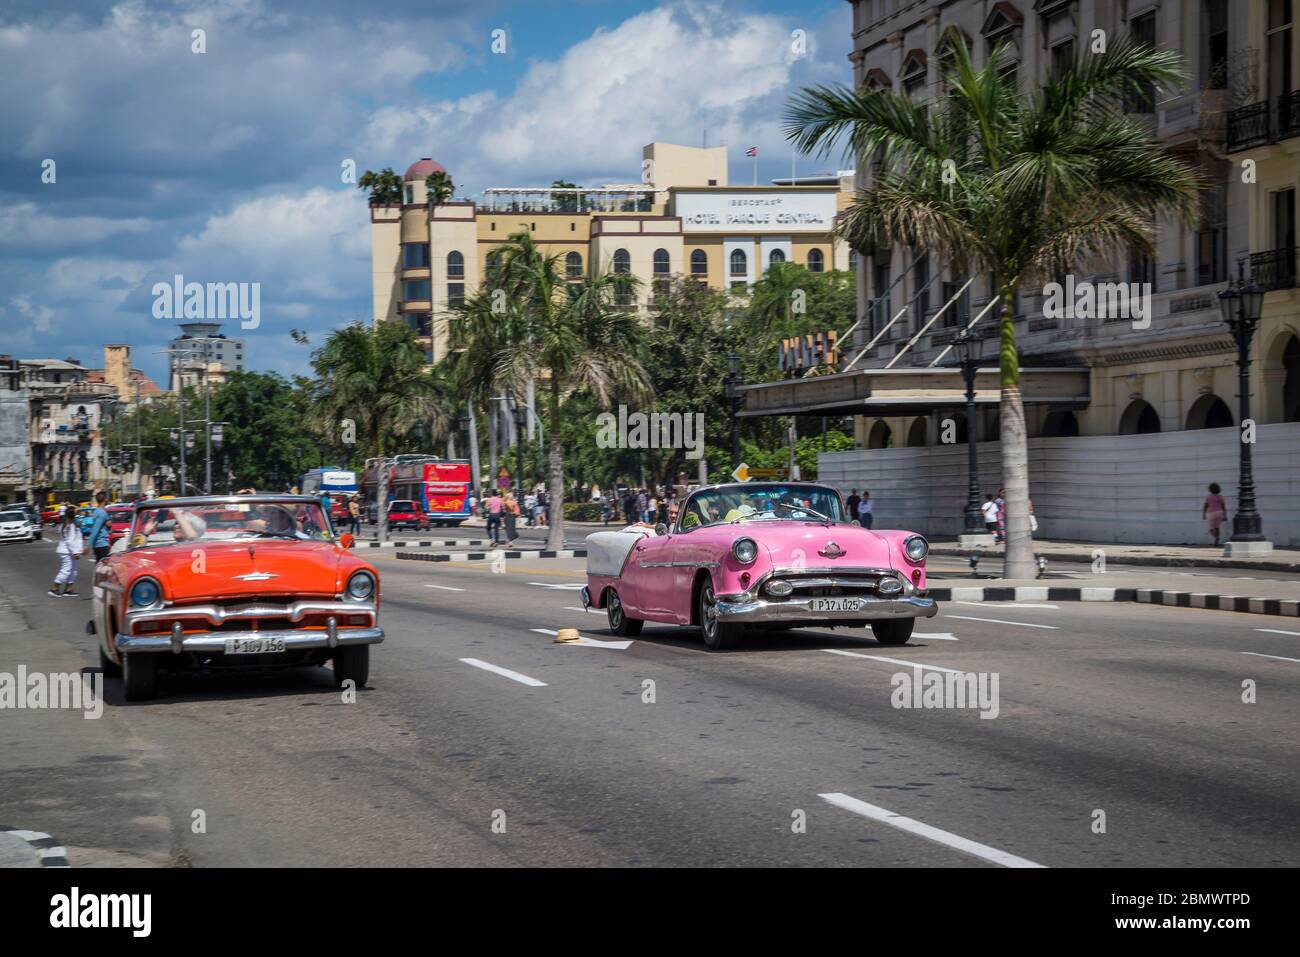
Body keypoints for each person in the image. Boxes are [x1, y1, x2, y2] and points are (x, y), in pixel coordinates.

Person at [49, 506, 83, 597]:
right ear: (73, 516)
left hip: (68, 551)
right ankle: (54, 588)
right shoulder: (70, 526)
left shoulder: (65, 525)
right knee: (66, 570)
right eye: (75, 514)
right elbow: (70, 541)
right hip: (67, 551)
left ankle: (68, 589)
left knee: (73, 571)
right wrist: (75, 552)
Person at [83, 491, 112, 562]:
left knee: (100, 569)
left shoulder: (96, 511)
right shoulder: (102, 513)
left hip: (98, 545)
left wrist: (108, 523)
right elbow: (95, 530)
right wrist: (88, 546)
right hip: (102, 545)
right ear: (105, 499)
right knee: (105, 568)